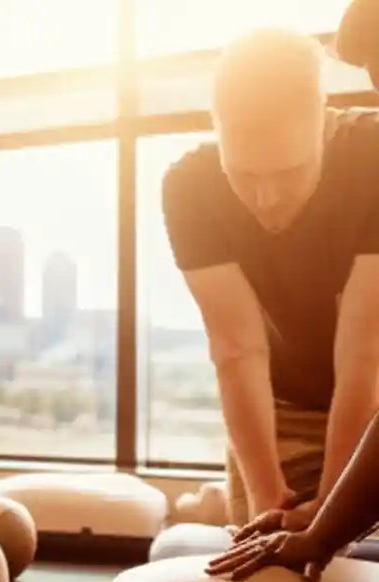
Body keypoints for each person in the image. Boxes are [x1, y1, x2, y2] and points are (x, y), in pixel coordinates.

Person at [160, 28, 379, 533]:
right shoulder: (188, 187)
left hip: (373, 396)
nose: (267, 199)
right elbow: (237, 349)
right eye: (244, 174)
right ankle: (220, 502)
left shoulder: (373, 157)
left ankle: (208, 502)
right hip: (282, 406)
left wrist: (328, 514)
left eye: (289, 171)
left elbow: (363, 354)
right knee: (263, 551)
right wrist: (266, 498)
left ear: (322, 122)